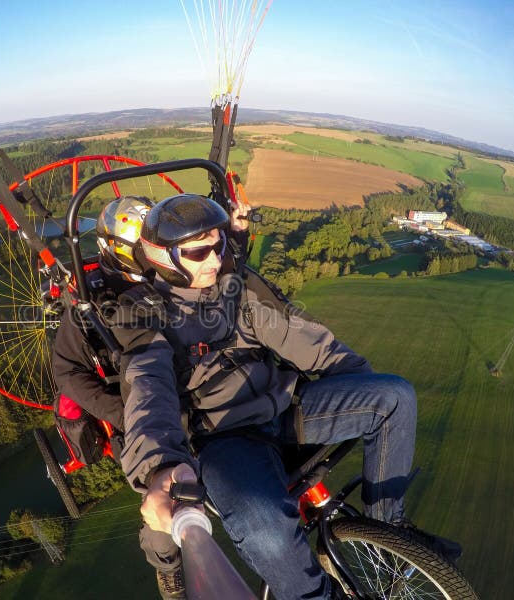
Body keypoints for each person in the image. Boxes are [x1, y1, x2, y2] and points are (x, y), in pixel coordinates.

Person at [113, 193, 427, 600]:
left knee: (395, 396)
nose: (214, 259)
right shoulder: (142, 313)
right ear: (163, 257)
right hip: (224, 439)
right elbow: (148, 388)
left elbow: (301, 337)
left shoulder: (235, 288)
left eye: (218, 246)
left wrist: (358, 383)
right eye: (198, 252)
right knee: (266, 530)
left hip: (284, 408)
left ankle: (387, 536)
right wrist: (161, 466)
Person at [51, 193, 252, 599]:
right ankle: (168, 565)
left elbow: (218, 272)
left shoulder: (170, 276)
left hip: (192, 383)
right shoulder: (93, 302)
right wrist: (125, 413)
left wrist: (236, 236)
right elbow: (67, 371)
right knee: (165, 498)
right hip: (140, 406)